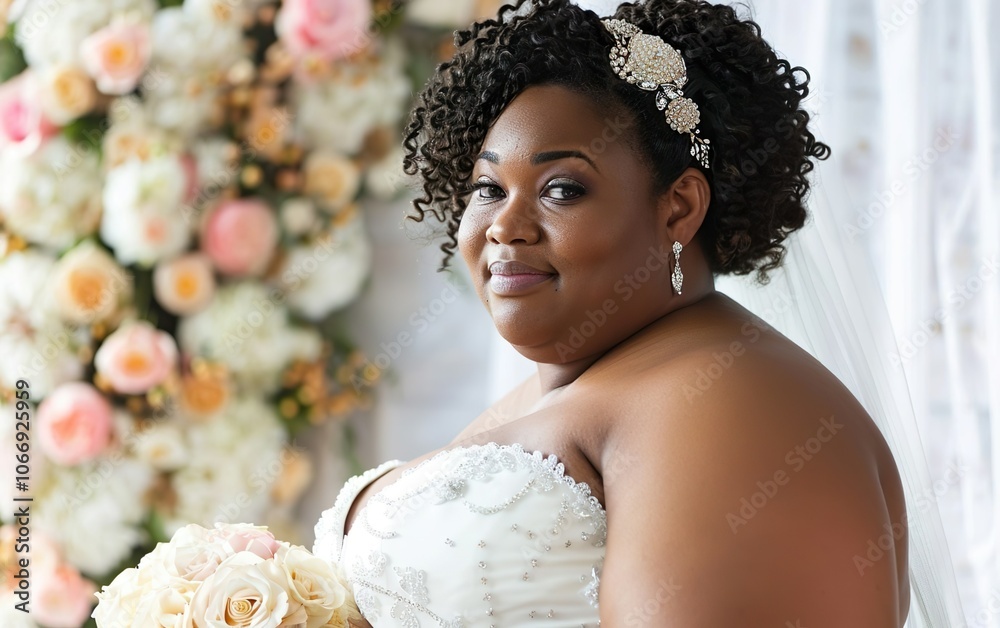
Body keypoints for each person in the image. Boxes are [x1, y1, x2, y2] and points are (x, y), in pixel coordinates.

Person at [313, 0, 928, 625]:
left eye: (562, 189)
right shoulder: (575, 386)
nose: (504, 226)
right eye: (489, 189)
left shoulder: (722, 398)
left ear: (679, 206)